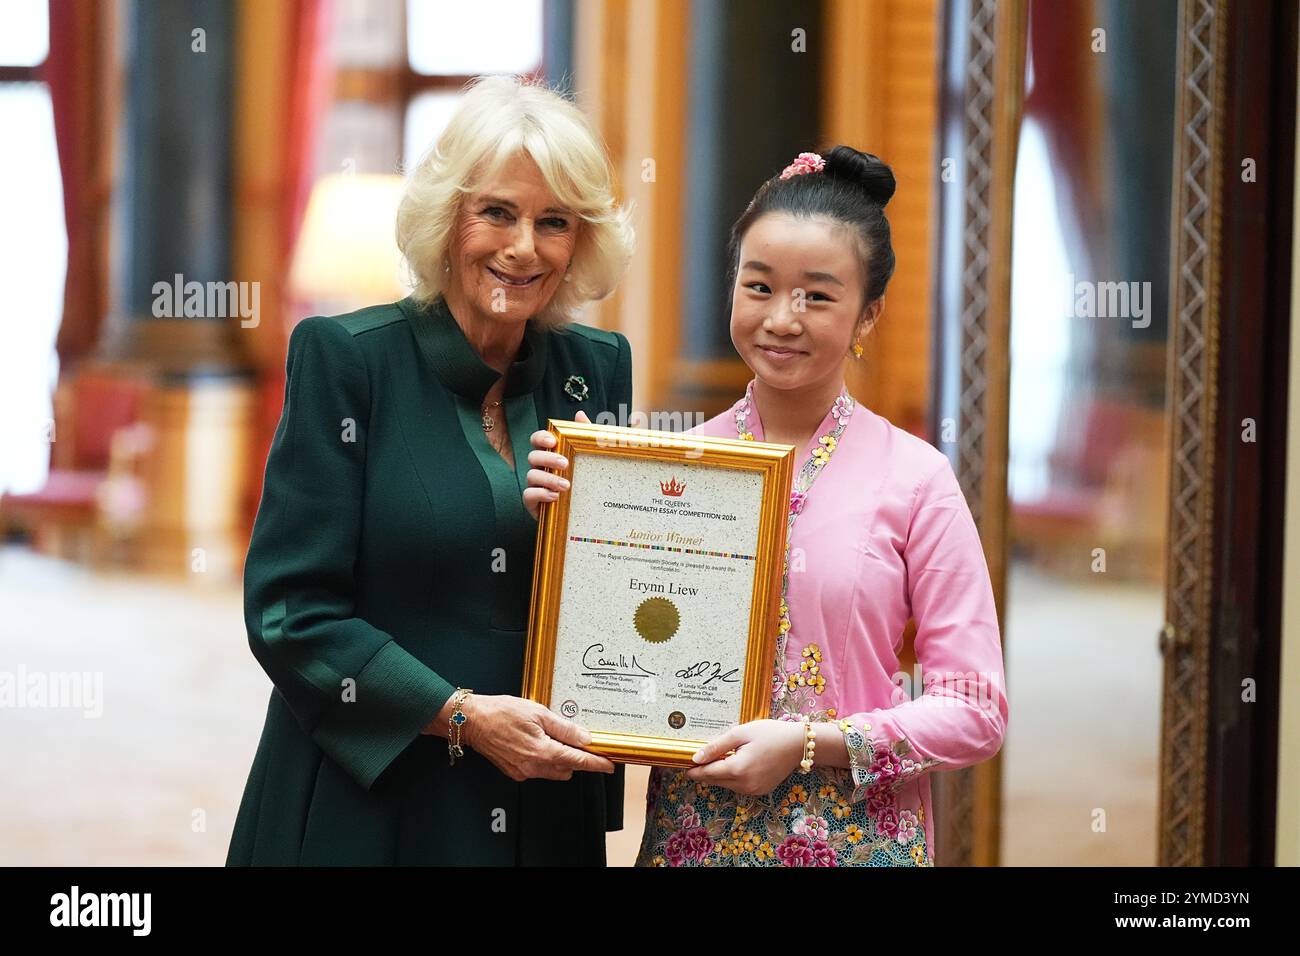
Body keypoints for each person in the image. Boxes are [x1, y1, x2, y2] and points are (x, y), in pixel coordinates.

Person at [527, 147, 1007, 866]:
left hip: (857, 839)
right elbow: (624, 659)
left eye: (817, 296)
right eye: (759, 287)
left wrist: (811, 744)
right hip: (696, 835)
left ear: (868, 315)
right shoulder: (669, 469)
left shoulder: (915, 478)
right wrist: (571, 525)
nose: (782, 319)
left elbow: (977, 707)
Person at [227, 75, 635, 866]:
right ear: (448, 217)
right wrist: (461, 716)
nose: (523, 247)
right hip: (375, 793)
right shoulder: (348, 359)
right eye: (497, 212)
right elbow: (288, 613)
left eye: (554, 222)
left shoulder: (597, 368)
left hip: (542, 797)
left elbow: (623, 597)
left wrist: (605, 528)